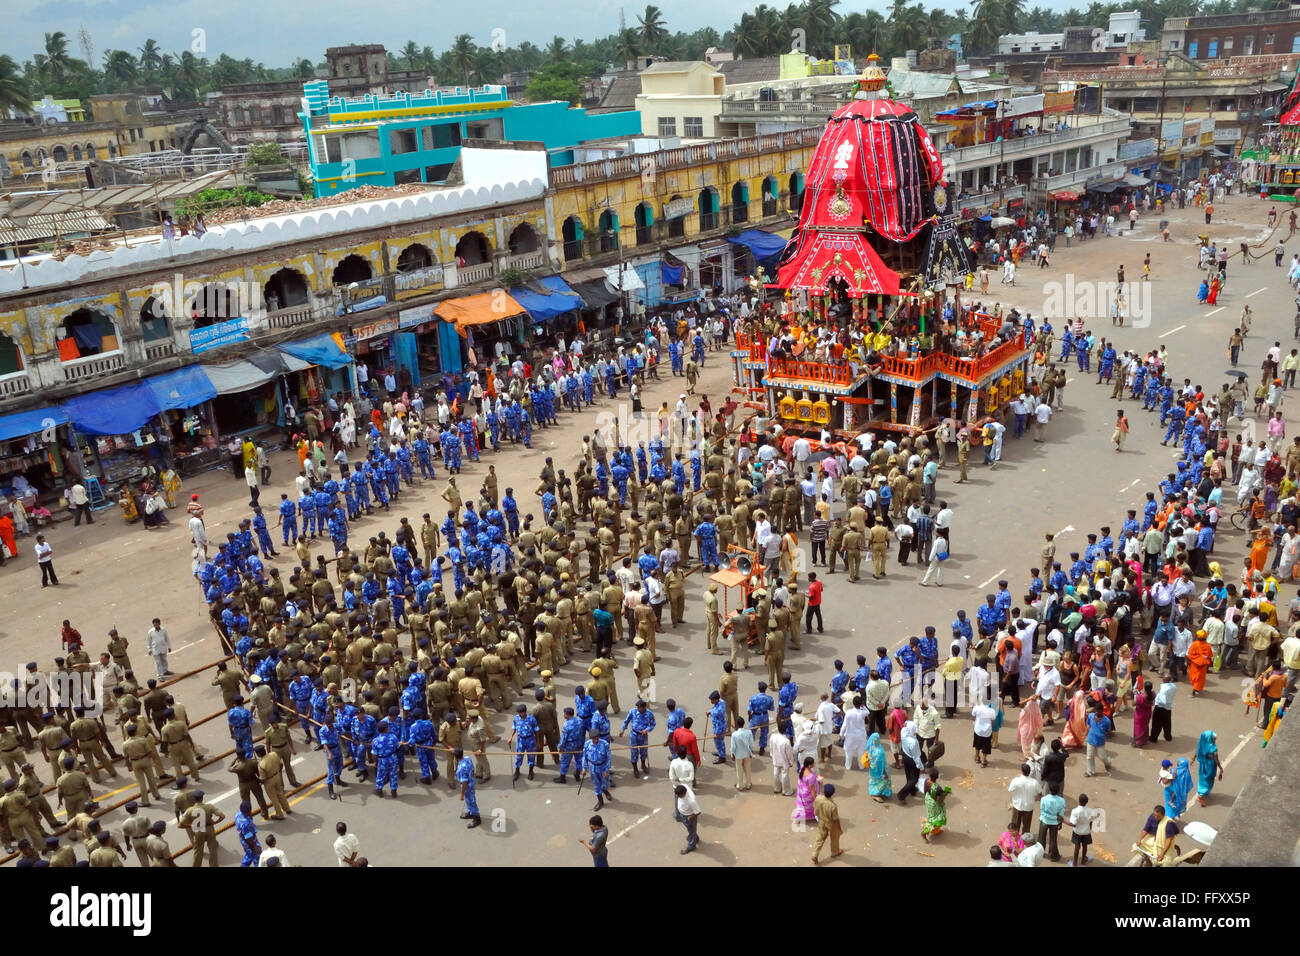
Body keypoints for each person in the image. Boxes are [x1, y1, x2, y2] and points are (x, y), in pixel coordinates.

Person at [811, 782, 843, 864]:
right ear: (832, 794)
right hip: (831, 824)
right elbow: (836, 819)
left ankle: (815, 854)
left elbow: (815, 808)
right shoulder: (833, 806)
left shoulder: (818, 798)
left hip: (821, 821)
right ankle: (835, 852)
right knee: (834, 838)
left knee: (820, 838)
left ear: (824, 791)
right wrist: (839, 828)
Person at [1038, 781, 1066, 862]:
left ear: (1049, 790)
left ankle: (1040, 853)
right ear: (1058, 791)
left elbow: (1042, 810)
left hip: (1044, 820)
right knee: (1053, 839)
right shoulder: (1061, 801)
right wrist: (1060, 823)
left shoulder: (1044, 799)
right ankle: (1053, 856)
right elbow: (1061, 813)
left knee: (1041, 838)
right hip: (1055, 822)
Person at [1069, 793, 1098, 867]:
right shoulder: (1090, 811)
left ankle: (1075, 864)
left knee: (1077, 847)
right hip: (1086, 832)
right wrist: (1089, 829)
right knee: (1085, 846)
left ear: (1078, 801)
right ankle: (1083, 860)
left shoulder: (1075, 811)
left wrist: (1063, 821)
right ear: (1086, 802)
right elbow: (1091, 821)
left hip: (1077, 832)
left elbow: (1073, 824)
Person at [1195, 730, 1222, 806]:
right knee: (1209, 780)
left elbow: (1197, 752)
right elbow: (1216, 759)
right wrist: (1220, 767)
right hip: (1210, 766)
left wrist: (1193, 759)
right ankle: (1201, 796)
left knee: (1202, 779)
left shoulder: (1202, 745)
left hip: (1203, 764)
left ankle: (1201, 792)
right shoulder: (1213, 748)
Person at [920, 767, 947, 843]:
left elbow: (925, 791)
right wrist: (945, 794)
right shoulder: (938, 788)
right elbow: (939, 801)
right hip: (934, 804)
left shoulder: (926, 781)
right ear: (937, 777)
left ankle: (936, 830)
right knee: (936, 820)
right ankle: (924, 833)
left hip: (928, 800)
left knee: (931, 816)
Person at [673, 783, 701, 854]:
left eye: (679, 795)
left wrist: (690, 817)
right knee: (691, 830)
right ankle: (695, 838)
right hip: (683, 814)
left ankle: (691, 846)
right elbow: (683, 783)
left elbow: (698, 811)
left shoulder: (691, 801)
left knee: (691, 831)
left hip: (689, 817)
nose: (677, 796)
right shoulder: (684, 787)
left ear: (684, 793)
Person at [866, 731, 892, 801]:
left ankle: (873, 791)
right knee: (884, 780)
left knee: (874, 780)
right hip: (880, 770)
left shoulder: (871, 746)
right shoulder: (879, 751)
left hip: (872, 769)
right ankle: (875, 794)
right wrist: (884, 773)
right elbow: (880, 764)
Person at [794, 756, 820, 825]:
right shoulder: (810, 776)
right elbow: (812, 789)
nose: (813, 765)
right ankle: (817, 818)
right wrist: (815, 798)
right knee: (814, 807)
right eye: (812, 764)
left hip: (801, 791)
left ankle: (799, 817)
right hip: (808, 795)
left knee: (802, 806)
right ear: (809, 765)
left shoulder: (802, 767)